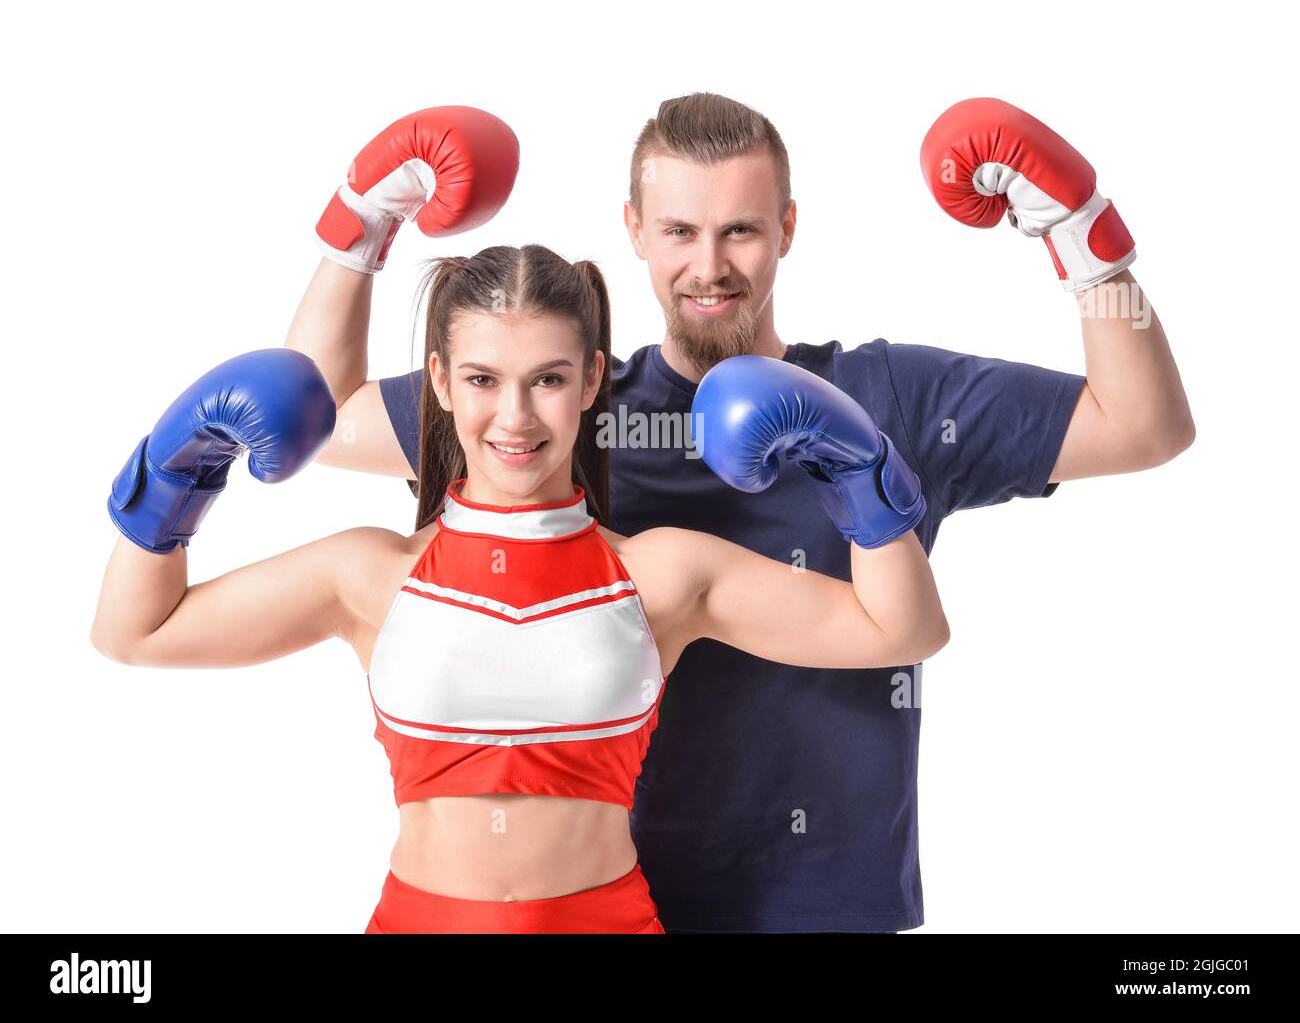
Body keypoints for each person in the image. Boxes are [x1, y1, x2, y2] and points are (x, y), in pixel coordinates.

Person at [291, 94, 1196, 932]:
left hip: (827, 901)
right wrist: (357, 227)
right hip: (605, 898)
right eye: (680, 229)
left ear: (788, 229)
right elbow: (313, 416)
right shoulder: (562, 408)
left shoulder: (888, 395)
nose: (710, 266)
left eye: (742, 231)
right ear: (635, 231)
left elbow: (1145, 425)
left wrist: (1086, 241)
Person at [90, 243, 950, 933]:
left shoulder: (661, 573)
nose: (515, 416)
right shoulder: (369, 575)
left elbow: (898, 627)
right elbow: (137, 630)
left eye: (546, 378)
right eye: (482, 379)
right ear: (438, 382)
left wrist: (858, 468)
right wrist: (179, 474)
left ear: (589, 381)